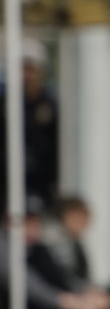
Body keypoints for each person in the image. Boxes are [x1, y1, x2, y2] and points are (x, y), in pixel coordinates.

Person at [0, 39, 58, 212]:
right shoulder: (5, 103)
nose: (26, 76)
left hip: (41, 184)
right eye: (21, 69)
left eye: (30, 69)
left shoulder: (51, 105)